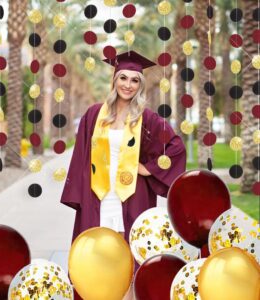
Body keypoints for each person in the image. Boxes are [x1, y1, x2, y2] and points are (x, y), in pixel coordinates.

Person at [60, 50, 186, 299]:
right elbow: (81, 157)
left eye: (134, 80)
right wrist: (79, 193)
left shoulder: (146, 118)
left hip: (130, 196)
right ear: (114, 80)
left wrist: (147, 168)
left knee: (128, 259)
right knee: (97, 257)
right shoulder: (95, 115)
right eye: (123, 78)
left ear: (140, 85)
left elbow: (175, 147)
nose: (128, 85)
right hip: (98, 195)